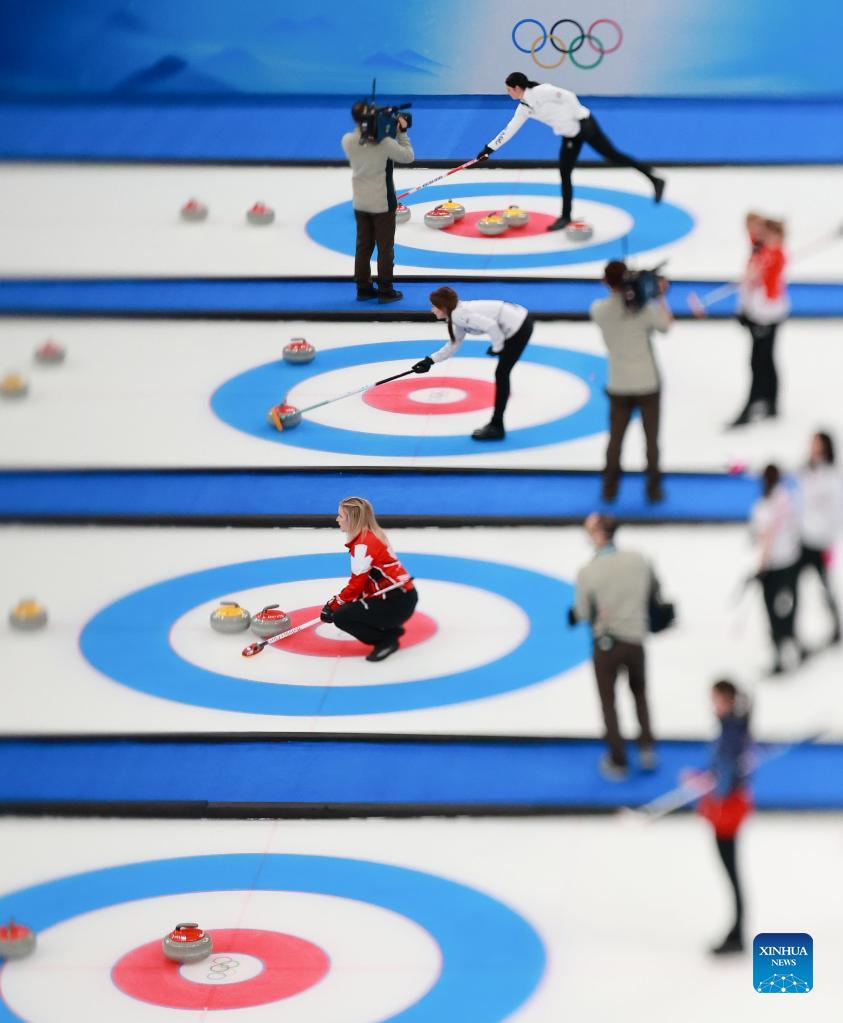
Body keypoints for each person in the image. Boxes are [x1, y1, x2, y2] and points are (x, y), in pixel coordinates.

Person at [475, 72, 665, 231]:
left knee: (613, 155)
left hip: (585, 125)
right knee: (565, 172)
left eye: (509, 90)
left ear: (517, 88)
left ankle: (654, 178)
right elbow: (509, 130)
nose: (508, 93)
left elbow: (568, 96)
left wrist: (579, 119)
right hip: (569, 135)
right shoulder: (524, 108)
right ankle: (565, 217)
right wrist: (489, 149)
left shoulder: (542, 91)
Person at [568, 513, 661, 779]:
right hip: (635, 639)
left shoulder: (588, 572)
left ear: (598, 534)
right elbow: (654, 590)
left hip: (606, 644)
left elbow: (583, 613)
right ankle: (647, 750)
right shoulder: (638, 560)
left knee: (609, 703)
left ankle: (618, 761)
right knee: (640, 695)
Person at [590, 260, 673, 503]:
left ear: (605, 281)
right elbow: (666, 326)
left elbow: (613, 307)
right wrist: (657, 296)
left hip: (618, 383)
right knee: (652, 440)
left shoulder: (599, 310)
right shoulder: (644, 308)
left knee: (615, 440)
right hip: (647, 382)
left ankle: (609, 488)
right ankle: (653, 490)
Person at [412, 286, 534, 441]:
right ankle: (497, 425)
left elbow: (491, 326)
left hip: (518, 327)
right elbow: (454, 343)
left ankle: (497, 427)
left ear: (443, 308)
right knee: (502, 373)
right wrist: (430, 360)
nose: (431, 310)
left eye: (434, 307)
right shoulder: (457, 314)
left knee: (501, 373)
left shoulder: (459, 315)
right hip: (519, 321)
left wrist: (498, 347)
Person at [320, 496, 418, 662]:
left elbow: (355, 587)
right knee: (352, 606)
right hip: (403, 598)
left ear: (352, 520)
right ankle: (391, 628)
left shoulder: (362, 546)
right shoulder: (372, 535)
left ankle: (386, 640)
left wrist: (333, 606)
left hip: (397, 602)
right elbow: (365, 584)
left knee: (342, 617)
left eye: (341, 516)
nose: (337, 519)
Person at [696, 680, 753, 956]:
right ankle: (737, 929)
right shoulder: (734, 726)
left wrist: (711, 786)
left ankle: (738, 932)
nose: (713, 705)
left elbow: (727, 771)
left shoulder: (731, 731)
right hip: (728, 803)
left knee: (732, 873)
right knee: (731, 873)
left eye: (717, 699)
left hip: (728, 807)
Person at [341, 103, 414, 304]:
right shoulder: (385, 143)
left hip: (360, 201)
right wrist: (401, 133)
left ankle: (363, 288)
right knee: (385, 248)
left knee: (363, 246)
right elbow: (408, 156)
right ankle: (385, 289)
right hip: (382, 202)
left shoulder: (348, 140)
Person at [728, 216, 790, 427]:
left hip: (767, 317)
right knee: (762, 359)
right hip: (758, 314)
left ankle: (756, 403)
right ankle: (769, 401)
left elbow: (768, 284)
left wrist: (758, 270)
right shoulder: (760, 250)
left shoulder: (775, 255)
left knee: (759, 360)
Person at [749, 464, 803, 673]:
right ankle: (791, 641)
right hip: (790, 558)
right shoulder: (787, 498)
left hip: (775, 563)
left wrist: (761, 566)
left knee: (773, 610)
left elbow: (765, 538)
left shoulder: (764, 507)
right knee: (789, 604)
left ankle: (782, 648)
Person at [797, 431, 843, 645]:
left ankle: (836, 625)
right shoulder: (806, 471)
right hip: (803, 538)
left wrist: (828, 536)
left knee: (825, 584)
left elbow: (836, 510)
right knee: (793, 584)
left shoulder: (830, 476)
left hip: (821, 541)